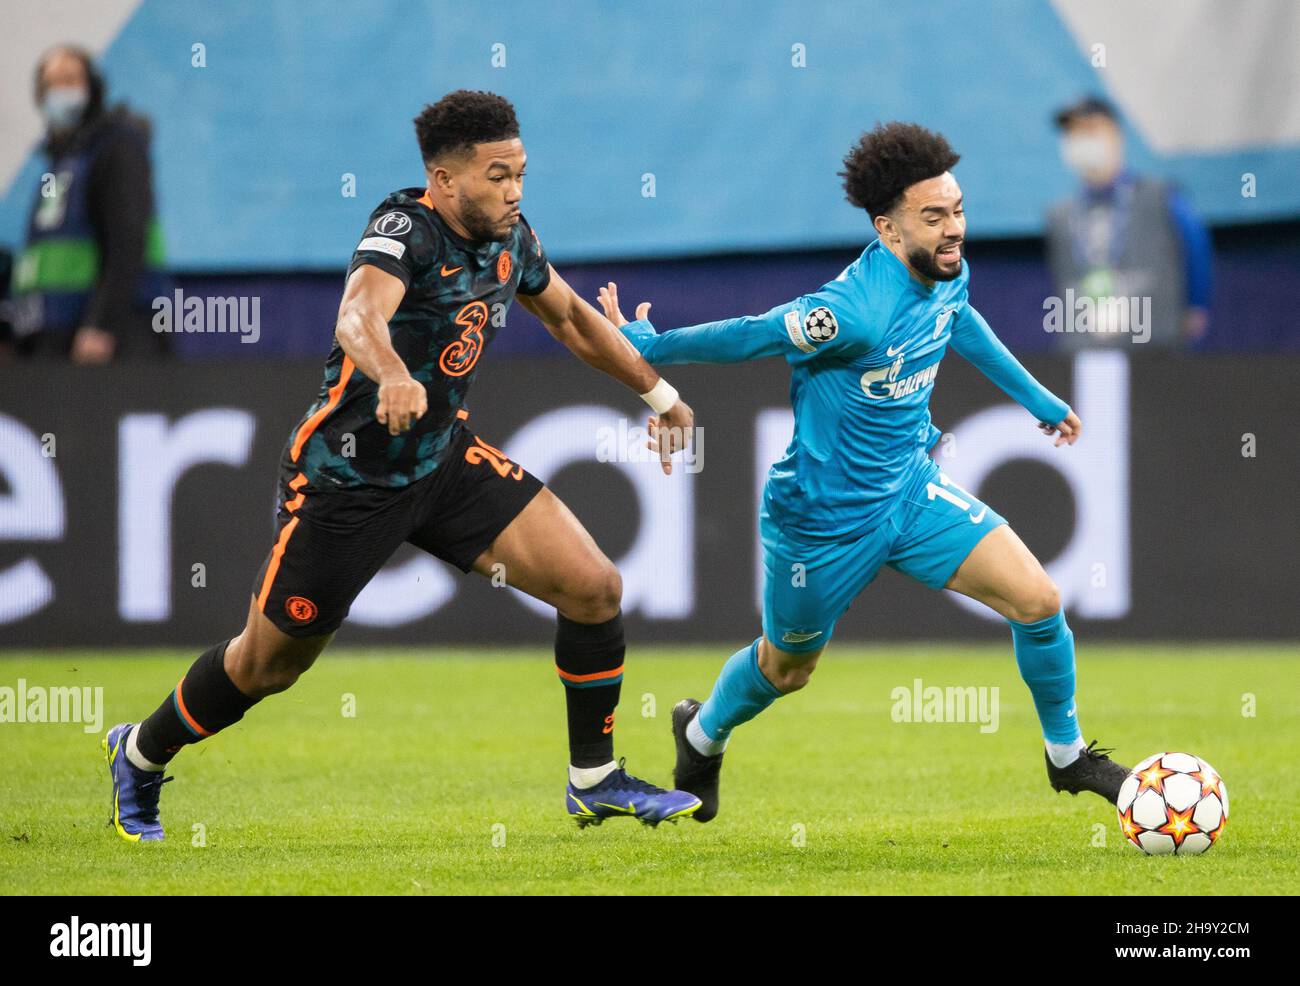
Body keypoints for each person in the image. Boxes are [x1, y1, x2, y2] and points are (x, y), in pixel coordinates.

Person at [102, 90, 701, 842]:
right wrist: (389, 371)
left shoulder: (513, 240)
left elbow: (573, 318)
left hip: (442, 461)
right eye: (496, 175)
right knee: (266, 667)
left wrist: (662, 394)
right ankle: (141, 751)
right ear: (445, 181)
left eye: (520, 174)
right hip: (346, 483)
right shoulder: (401, 232)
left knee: (593, 587)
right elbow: (357, 315)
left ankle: (594, 780)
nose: (514, 191)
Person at [599, 122, 1131, 824]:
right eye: (934, 217)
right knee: (787, 670)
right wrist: (653, 344)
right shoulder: (846, 313)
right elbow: (754, 332)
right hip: (820, 522)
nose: (954, 231)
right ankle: (701, 736)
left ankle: (1066, 759)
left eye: (959, 211)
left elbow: (958, 319)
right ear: (887, 229)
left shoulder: (946, 268)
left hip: (911, 492)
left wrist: (1038, 399)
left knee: (1038, 602)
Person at [8, 45, 168, 361]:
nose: (62, 90)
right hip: (54, 334)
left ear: (92, 87)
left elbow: (128, 239)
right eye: (53, 82)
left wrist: (101, 325)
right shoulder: (59, 159)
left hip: (110, 338)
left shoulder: (117, 146)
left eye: (71, 79)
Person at [1046, 95, 1212, 349]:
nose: (1080, 140)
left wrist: (1196, 306)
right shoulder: (1061, 214)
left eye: (1090, 130)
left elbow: (1196, 250)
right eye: (1072, 133)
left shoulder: (1160, 196)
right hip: (1086, 350)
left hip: (1156, 347)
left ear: (1115, 135)